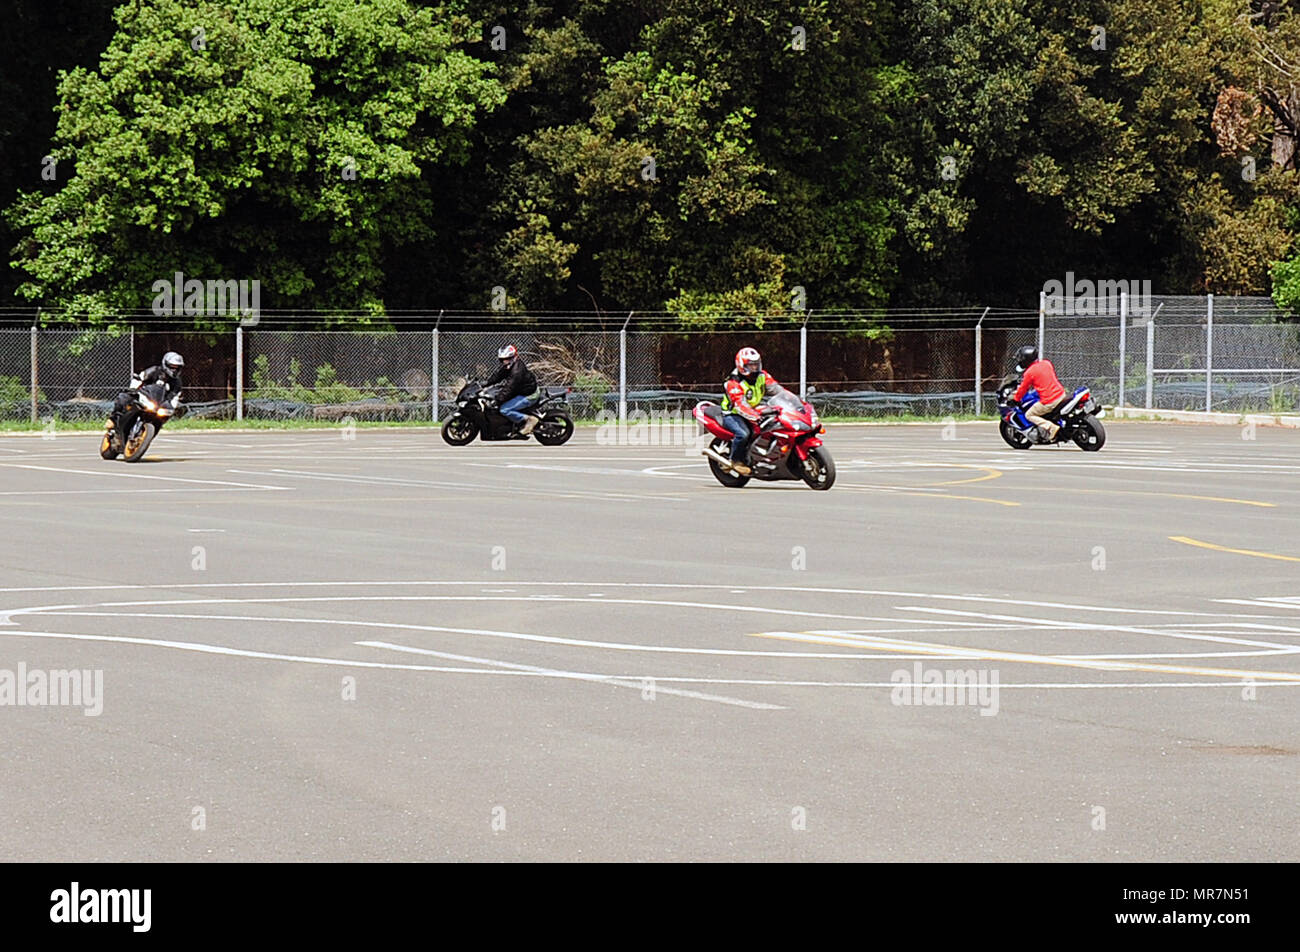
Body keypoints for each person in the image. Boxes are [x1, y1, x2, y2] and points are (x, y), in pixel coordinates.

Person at [720, 347, 787, 475]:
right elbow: (740, 405)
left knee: (774, 424)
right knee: (743, 434)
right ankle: (735, 460)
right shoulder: (733, 382)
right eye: (751, 365)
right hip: (733, 413)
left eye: (756, 365)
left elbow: (777, 390)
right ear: (741, 365)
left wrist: (793, 400)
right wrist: (755, 416)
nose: (755, 368)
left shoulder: (763, 376)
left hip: (753, 409)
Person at [106, 351, 185, 435]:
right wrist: (133, 389)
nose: (174, 370)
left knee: (164, 416)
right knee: (124, 397)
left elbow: (175, 397)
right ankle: (113, 419)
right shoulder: (154, 370)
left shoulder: (177, 383)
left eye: (177, 368)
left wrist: (173, 407)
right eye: (172, 367)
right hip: (143, 396)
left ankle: (149, 434)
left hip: (159, 405)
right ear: (165, 364)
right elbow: (139, 378)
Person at [1010, 344, 1066, 442]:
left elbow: (1023, 389)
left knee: (1029, 415)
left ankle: (1050, 427)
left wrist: (1015, 399)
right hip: (1061, 395)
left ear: (1025, 360)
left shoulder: (1029, 373)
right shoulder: (1046, 363)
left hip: (1049, 401)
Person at [485, 344, 541, 435]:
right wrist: (485, 384)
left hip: (529, 395)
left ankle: (529, 420)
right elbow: (498, 376)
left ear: (513, 357)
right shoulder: (509, 366)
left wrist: (497, 400)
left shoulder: (516, 371)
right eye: (502, 359)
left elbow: (509, 387)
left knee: (504, 410)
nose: (504, 361)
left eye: (507, 358)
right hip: (522, 391)